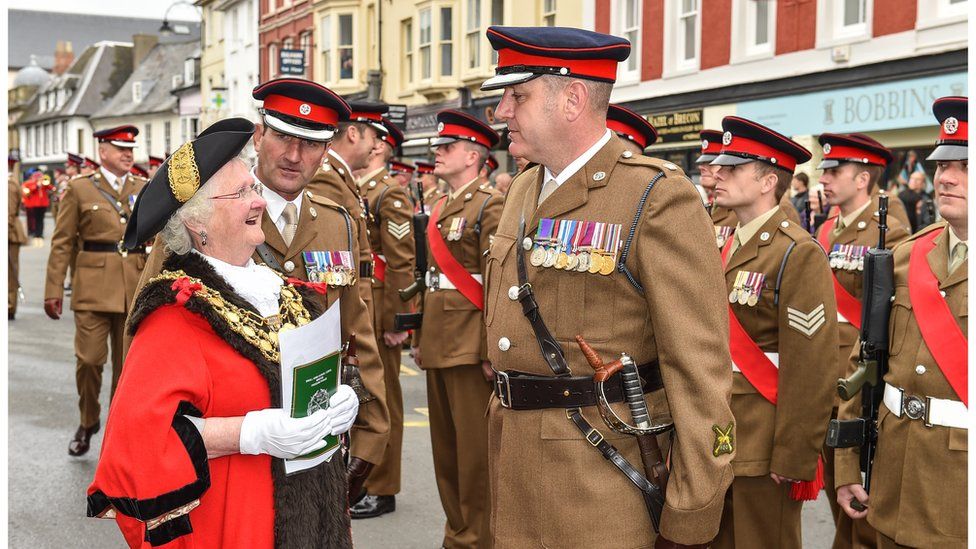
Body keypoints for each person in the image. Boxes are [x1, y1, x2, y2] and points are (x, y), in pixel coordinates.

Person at [481, 26, 735, 548]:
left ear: (572, 99)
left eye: (518, 95)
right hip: (513, 460)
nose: (502, 111)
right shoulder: (524, 188)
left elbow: (698, 367)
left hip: (597, 478)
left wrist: (689, 514)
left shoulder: (654, 196)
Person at [87, 117, 359, 548]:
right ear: (198, 223)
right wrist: (250, 434)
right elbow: (138, 443)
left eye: (253, 188)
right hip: (234, 524)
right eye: (241, 193)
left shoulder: (285, 293)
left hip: (312, 520)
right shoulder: (174, 315)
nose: (259, 202)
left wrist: (340, 397)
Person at [835, 96, 968, 549]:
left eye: (965, 167)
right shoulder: (909, 254)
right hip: (892, 479)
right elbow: (865, 362)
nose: (945, 177)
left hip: (958, 491)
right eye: (943, 164)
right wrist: (848, 464)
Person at [709, 116, 837, 548]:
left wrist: (794, 452)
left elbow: (812, 365)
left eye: (733, 168)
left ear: (768, 181)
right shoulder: (725, 243)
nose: (718, 173)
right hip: (718, 431)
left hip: (765, 440)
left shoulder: (797, 253)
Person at [813, 132, 911, 549]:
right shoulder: (826, 229)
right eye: (825, 172)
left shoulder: (889, 232)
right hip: (824, 378)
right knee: (836, 489)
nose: (825, 179)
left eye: (835, 172)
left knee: (864, 505)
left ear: (863, 179)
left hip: (860, 379)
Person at [410, 110, 502, 547]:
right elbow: (429, 279)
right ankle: (458, 531)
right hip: (439, 338)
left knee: (474, 455)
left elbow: (496, 284)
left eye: (447, 147)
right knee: (446, 452)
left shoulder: (489, 204)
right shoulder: (443, 205)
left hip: (468, 343)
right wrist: (419, 337)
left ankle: (477, 537)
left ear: (472, 156)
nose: (438, 154)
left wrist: (489, 349)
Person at [43, 125, 149, 456]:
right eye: (120, 149)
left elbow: (155, 239)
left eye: (130, 149)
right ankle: (88, 420)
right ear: (103, 151)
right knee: (89, 360)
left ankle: (117, 432)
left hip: (132, 287)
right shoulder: (80, 188)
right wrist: (53, 288)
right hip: (92, 288)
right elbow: (62, 242)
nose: (128, 155)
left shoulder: (143, 187)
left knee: (126, 368)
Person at [351, 116, 416, 519]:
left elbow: (401, 261)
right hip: (365, 304)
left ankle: (383, 486)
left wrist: (399, 321)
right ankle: (363, 478)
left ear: (379, 147)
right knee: (363, 396)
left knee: (384, 397)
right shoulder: (359, 188)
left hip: (380, 308)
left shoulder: (388, 193)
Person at [307, 100, 387, 311]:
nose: (376, 147)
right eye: (373, 138)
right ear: (352, 134)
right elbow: (326, 261)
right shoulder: (328, 178)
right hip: (343, 302)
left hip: (356, 294)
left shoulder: (340, 177)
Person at [9, 155, 28, 320]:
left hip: (9, 234)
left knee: (9, 272)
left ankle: (9, 306)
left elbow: (7, 213)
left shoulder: (8, 185)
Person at [22, 170, 52, 245]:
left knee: (41, 220)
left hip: (43, 204)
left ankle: (40, 233)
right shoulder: (30, 183)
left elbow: (51, 188)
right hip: (34, 204)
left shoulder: (43, 184)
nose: (39, 178)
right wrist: (37, 185)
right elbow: (29, 191)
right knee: (34, 219)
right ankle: (34, 232)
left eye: (40, 177)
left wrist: (44, 184)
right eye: (38, 177)